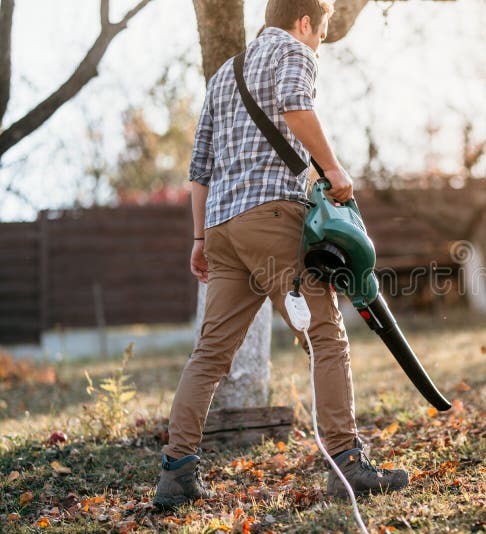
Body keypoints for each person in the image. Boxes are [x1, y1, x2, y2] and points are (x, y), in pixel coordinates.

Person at [154, 0, 408, 509]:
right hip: (271, 218)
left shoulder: (225, 73)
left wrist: (200, 239)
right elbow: (296, 106)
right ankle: (346, 465)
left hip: (224, 230)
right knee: (326, 336)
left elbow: (199, 166)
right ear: (305, 21)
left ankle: (176, 474)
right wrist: (333, 170)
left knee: (209, 355)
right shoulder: (294, 51)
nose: (318, 43)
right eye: (321, 31)